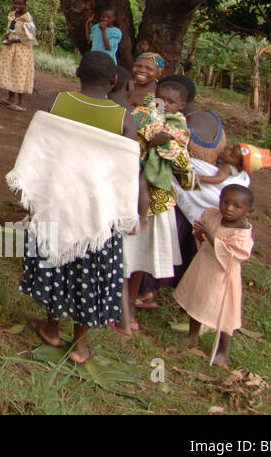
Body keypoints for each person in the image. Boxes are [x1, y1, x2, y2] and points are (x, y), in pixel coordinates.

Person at [16, 52, 142, 365]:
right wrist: (134, 211)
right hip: (98, 214)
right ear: (114, 82)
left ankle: (52, 328)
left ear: (76, 73)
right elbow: (129, 173)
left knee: (55, 262)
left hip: (58, 203)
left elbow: (38, 151)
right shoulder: (123, 119)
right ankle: (80, 345)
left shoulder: (56, 103)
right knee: (91, 272)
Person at [114, 76, 190, 337]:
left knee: (131, 257)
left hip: (147, 200)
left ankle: (126, 316)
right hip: (149, 198)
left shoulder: (174, 124)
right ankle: (126, 314)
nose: (164, 104)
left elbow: (178, 158)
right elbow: (173, 152)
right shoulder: (145, 115)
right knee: (132, 258)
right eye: (162, 98)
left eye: (171, 102)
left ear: (183, 105)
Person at [174, 184, 255, 366]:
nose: (228, 208)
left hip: (223, 276)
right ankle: (192, 335)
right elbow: (199, 232)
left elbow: (232, 255)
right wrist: (200, 232)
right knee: (197, 298)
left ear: (249, 211)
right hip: (204, 266)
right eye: (225, 202)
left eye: (236, 206)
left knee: (224, 312)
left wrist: (209, 235)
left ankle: (223, 351)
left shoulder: (242, 233)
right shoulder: (213, 215)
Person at [0, 0, 37, 110]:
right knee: (10, 72)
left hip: (22, 50)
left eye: (20, 4)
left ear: (25, 4)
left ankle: (20, 101)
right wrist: (6, 37)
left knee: (20, 73)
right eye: (15, 3)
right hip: (10, 49)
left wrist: (13, 41)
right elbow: (10, 30)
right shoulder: (11, 15)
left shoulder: (27, 18)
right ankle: (10, 98)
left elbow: (30, 38)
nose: (18, 6)